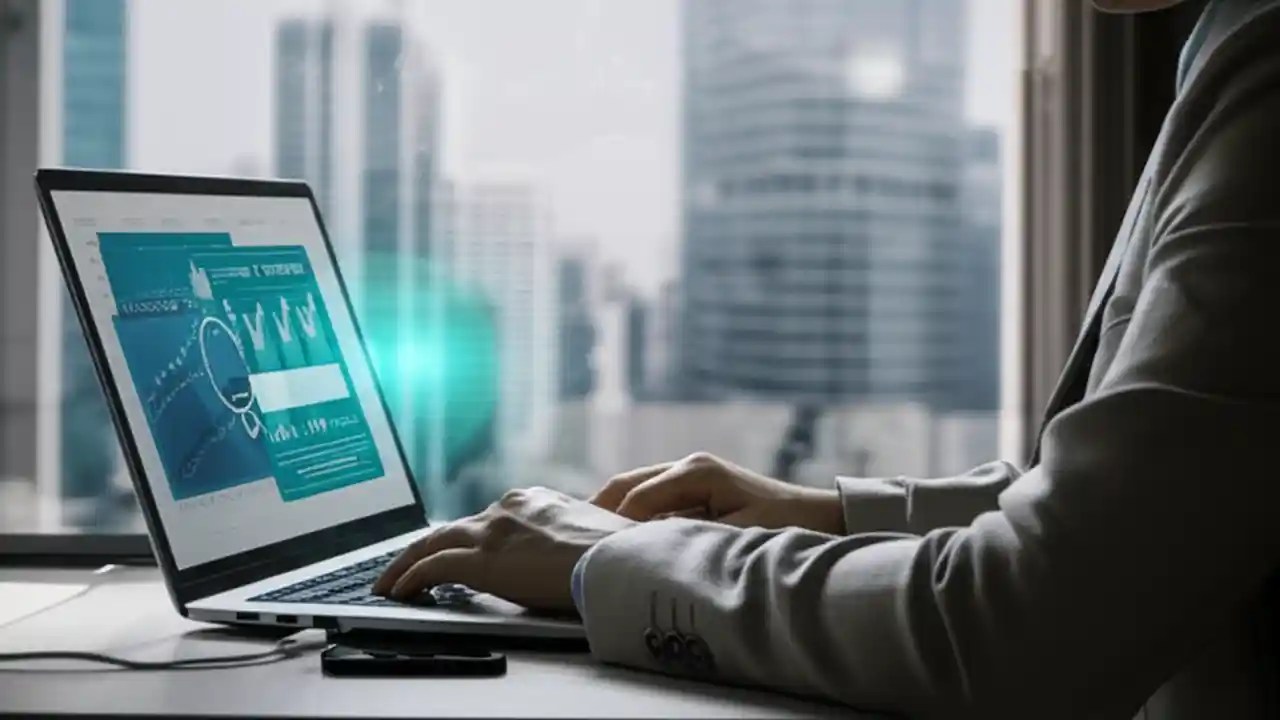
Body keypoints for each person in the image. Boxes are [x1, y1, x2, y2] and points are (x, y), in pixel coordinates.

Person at [375, 0, 1280, 716]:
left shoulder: (1266, 75)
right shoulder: (1228, 41)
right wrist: (824, 515)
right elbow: (1142, 517)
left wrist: (616, 562)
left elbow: (1038, 627)